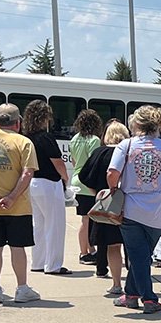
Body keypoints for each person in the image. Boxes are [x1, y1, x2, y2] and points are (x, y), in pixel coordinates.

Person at [103, 105, 161, 314]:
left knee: (139, 256)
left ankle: (148, 299)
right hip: (158, 212)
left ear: (136, 124)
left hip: (130, 209)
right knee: (141, 255)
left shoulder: (127, 145)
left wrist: (114, 189)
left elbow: (112, 173)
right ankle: (131, 295)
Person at [0, 103, 39, 303]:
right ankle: (22, 288)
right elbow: (27, 172)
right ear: (18, 123)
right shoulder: (24, 143)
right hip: (17, 207)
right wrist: (12, 197)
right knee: (17, 247)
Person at [24, 99, 72, 274]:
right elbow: (58, 162)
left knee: (39, 224)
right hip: (49, 183)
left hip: (32, 183)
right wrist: (66, 179)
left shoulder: (26, 138)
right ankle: (53, 265)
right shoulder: (46, 137)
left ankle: (38, 261)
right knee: (55, 225)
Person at [88, 120, 130, 296]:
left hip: (108, 206)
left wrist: (99, 192)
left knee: (112, 246)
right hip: (130, 204)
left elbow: (85, 176)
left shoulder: (99, 152)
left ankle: (116, 284)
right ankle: (135, 283)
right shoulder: (130, 153)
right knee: (133, 246)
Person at [69, 109, 103, 264]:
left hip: (76, 180)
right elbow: (93, 162)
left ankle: (88, 250)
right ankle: (85, 252)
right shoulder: (94, 140)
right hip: (88, 183)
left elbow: (74, 161)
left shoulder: (74, 139)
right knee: (88, 220)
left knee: (85, 219)